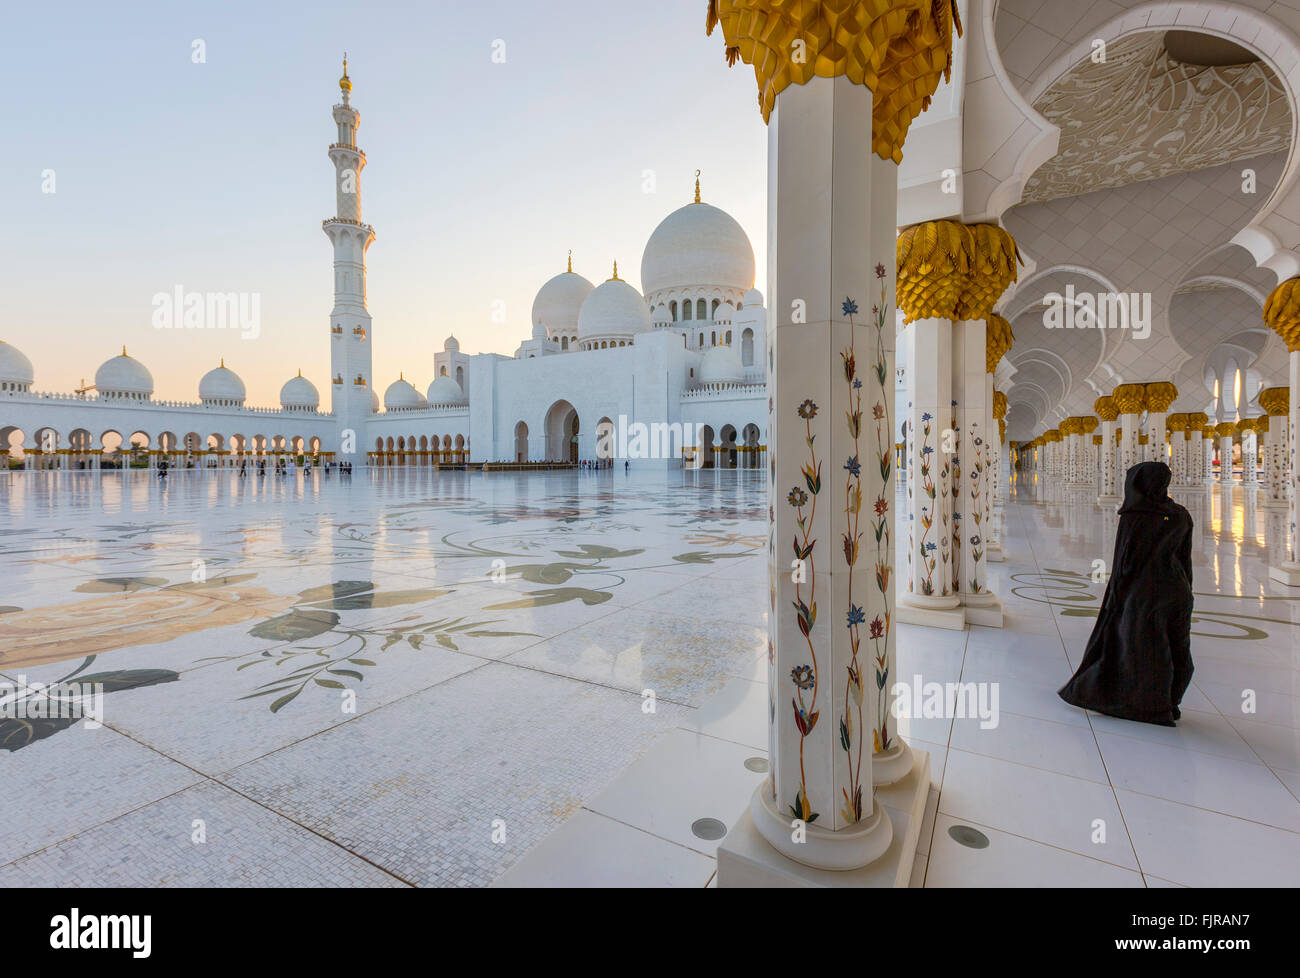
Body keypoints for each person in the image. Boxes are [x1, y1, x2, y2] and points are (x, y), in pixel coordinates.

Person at [1058, 461, 1194, 726]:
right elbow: (1184, 559)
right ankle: (1170, 702)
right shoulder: (1179, 514)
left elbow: (1125, 562)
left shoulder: (1137, 514)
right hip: (1177, 591)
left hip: (1143, 592)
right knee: (1177, 646)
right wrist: (1187, 592)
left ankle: (1147, 706)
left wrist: (1115, 598)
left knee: (1142, 647)